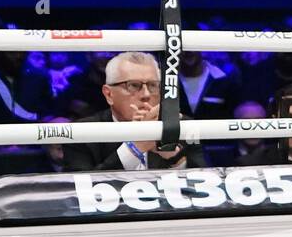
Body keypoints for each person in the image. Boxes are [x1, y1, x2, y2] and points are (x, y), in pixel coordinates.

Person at [62, 51, 205, 171]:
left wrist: (174, 157)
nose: (146, 95)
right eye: (134, 85)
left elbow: (208, 187)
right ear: (109, 94)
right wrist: (135, 147)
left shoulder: (183, 125)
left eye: (153, 85)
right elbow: (80, 193)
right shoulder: (81, 132)